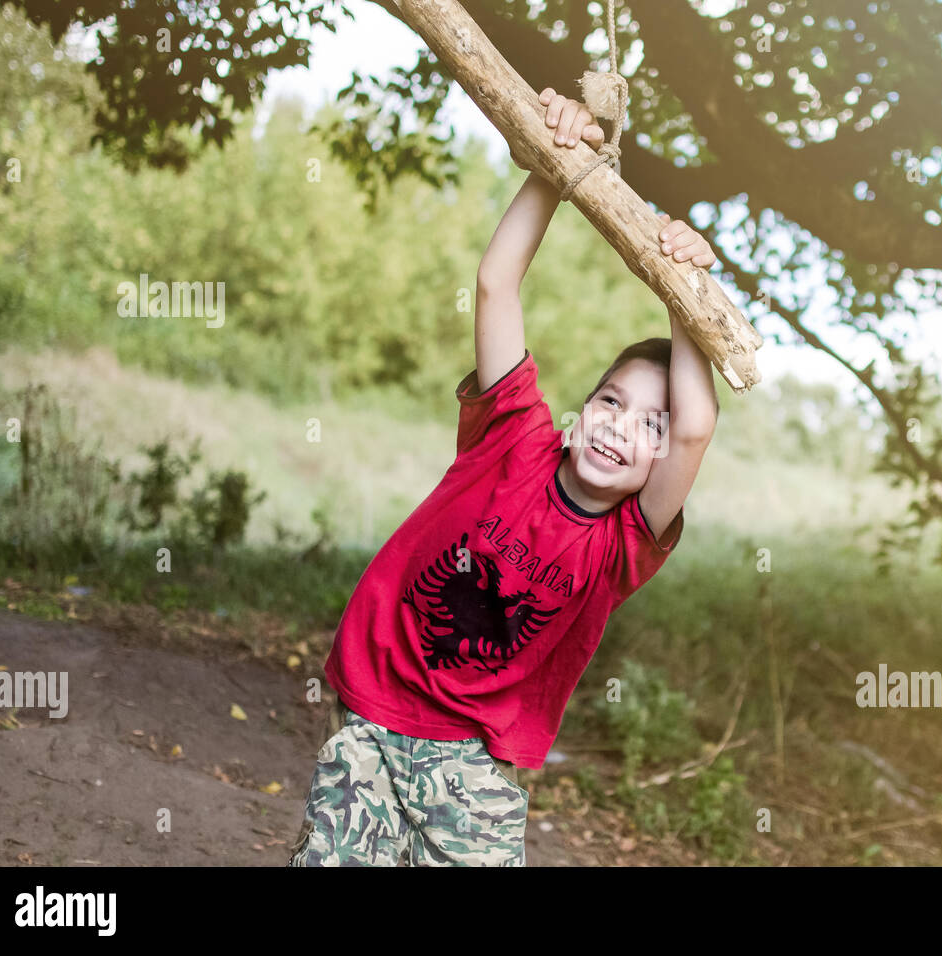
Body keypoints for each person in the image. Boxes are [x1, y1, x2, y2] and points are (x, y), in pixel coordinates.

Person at [288, 85, 720, 866]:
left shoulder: (624, 544)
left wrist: (684, 294)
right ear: (579, 411)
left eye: (649, 425)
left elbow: (698, 425)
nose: (623, 426)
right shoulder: (513, 436)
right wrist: (559, 165)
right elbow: (497, 282)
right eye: (611, 402)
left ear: (664, 461)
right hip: (377, 709)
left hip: (475, 762)